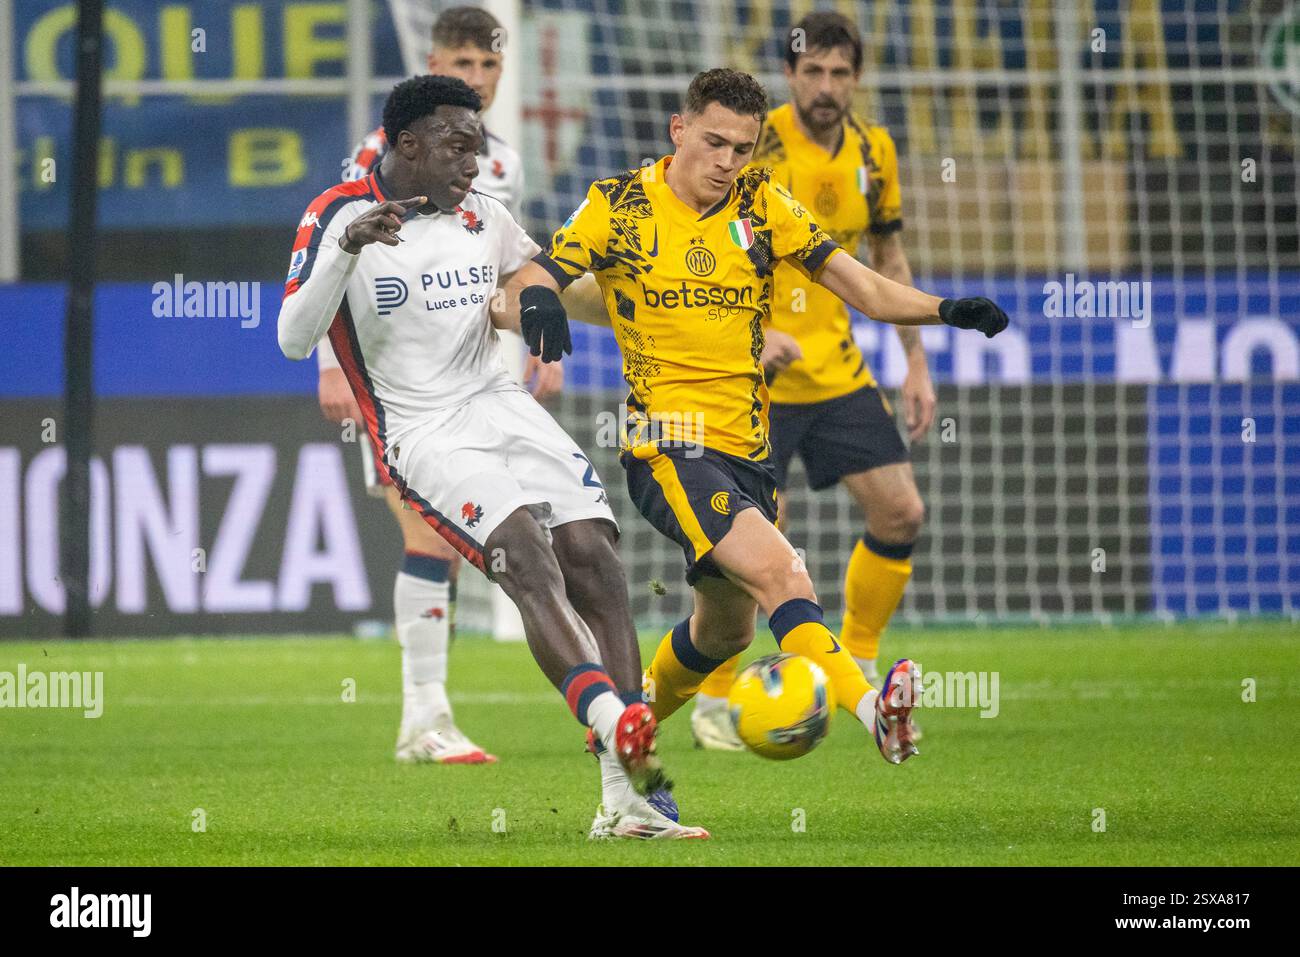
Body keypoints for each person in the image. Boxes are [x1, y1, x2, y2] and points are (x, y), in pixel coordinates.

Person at [502, 69, 1008, 766]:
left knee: (725, 632)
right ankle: (874, 713)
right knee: (784, 574)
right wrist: (538, 303)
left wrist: (944, 310)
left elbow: (858, 284)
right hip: (666, 445)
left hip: (748, 449)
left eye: (742, 148)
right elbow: (536, 272)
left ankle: (624, 723)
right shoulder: (617, 205)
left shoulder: (763, 206)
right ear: (679, 131)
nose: (726, 162)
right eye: (713, 143)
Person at [279, 75, 707, 839]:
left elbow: (525, 282)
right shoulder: (337, 212)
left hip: (501, 404)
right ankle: (616, 721)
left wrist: (539, 300)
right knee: (523, 554)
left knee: (595, 557)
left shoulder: (485, 215)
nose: (472, 164)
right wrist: (345, 251)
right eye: (456, 146)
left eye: (476, 147)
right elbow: (291, 335)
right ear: (406, 145)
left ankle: (625, 803)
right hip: (424, 429)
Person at [690, 11, 937, 749]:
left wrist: (915, 360)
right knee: (758, 551)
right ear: (790, 76)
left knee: (901, 511)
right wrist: (754, 332)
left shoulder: (874, 150)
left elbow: (886, 262)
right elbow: (694, 245)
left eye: (840, 73)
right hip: (751, 379)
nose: (827, 86)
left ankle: (855, 658)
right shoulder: (748, 147)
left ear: (855, 78)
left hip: (835, 371)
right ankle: (713, 697)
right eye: (813, 72)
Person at [315, 7, 550, 765]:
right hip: (393, 382)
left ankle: (431, 713)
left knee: (503, 541)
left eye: (485, 68)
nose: (474, 80)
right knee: (431, 539)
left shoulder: (502, 163)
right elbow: (334, 250)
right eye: (460, 65)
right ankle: (424, 716)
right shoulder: (377, 154)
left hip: (481, 383)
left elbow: (510, 263)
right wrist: (329, 364)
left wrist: (541, 344)